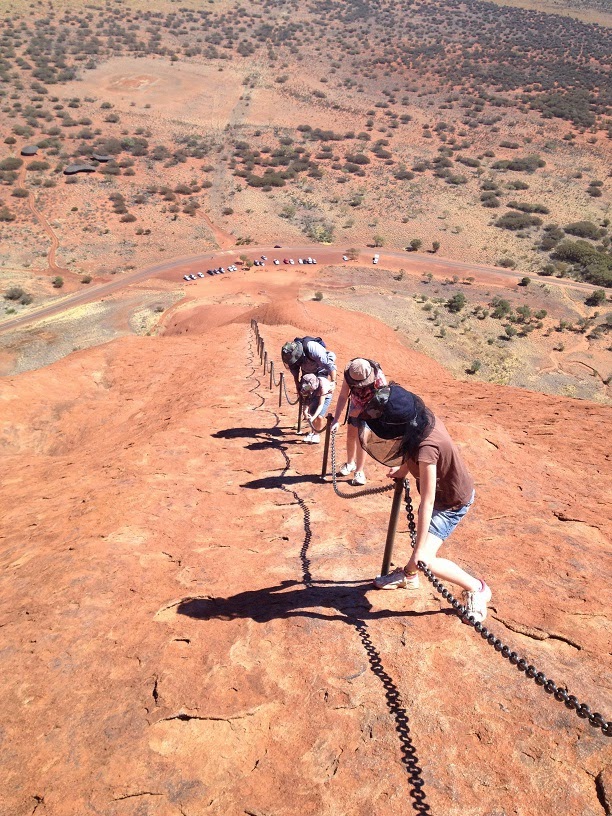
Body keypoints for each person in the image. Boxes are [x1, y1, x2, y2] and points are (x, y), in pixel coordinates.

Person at [358, 383, 492, 623]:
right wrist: (402, 470)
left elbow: (427, 502)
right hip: (443, 496)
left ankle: (477, 589)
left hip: (450, 503)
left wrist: (419, 550)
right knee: (420, 558)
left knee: (426, 559)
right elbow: (411, 448)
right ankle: (410, 576)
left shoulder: (427, 449)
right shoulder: (421, 420)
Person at [330, 358, 387, 486]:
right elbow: (343, 396)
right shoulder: (350, 373)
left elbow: (383, 399)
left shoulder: (378, 375)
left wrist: (362, 410)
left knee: (362, 439)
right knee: (351, 436)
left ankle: (359, 471)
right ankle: (350, 463)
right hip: (355, 405)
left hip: (371, 408)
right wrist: (336, 420)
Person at [299, 373, 335, 444]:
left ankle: (316, 434)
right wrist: (305, 412)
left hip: (326, 396)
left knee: (319, 417)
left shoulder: (323, 387)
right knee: (311, 413)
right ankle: (312, 432)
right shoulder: (306, 388)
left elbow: (321, 405)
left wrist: (313, 417)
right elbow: (306, 401)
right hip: (315, 395)